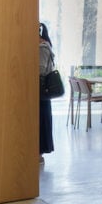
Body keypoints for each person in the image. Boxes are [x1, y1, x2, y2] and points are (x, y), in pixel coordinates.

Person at [38, 23, 56, 157]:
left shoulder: (42, 47)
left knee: (41, 120)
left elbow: (40, 69)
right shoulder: (42, 45)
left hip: (41, 91)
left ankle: (39, 153)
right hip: (40, 92)